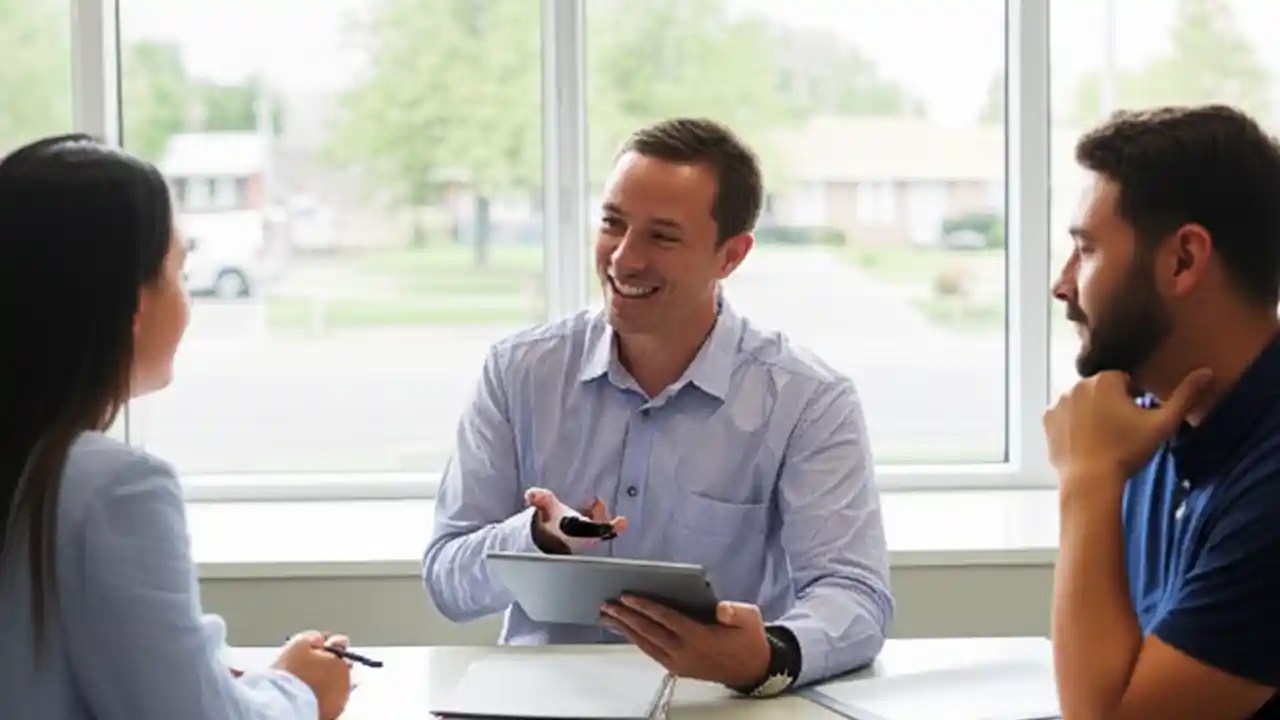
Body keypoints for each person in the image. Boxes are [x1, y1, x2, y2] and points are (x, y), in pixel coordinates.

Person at [423, 117, 892, 696]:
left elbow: (855, 596)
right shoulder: (518, 373)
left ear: (731, 256)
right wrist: (537, 540)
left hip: (718, 707)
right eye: (612, 224)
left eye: (662, 237)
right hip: (542, 704)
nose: (623, 259)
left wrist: (768, 655)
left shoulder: (808, 400)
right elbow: (446, 578)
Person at [0, 135, 352, 719]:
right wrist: (299, 691)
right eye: (178, 271)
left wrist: (202, 670)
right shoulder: (112, 489)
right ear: (133, 304)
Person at [1044, 105, 1280, 719]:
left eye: (1086, 250)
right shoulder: (1143, 420)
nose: (1063, 284)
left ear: (1183, 260)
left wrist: (1086, 479)